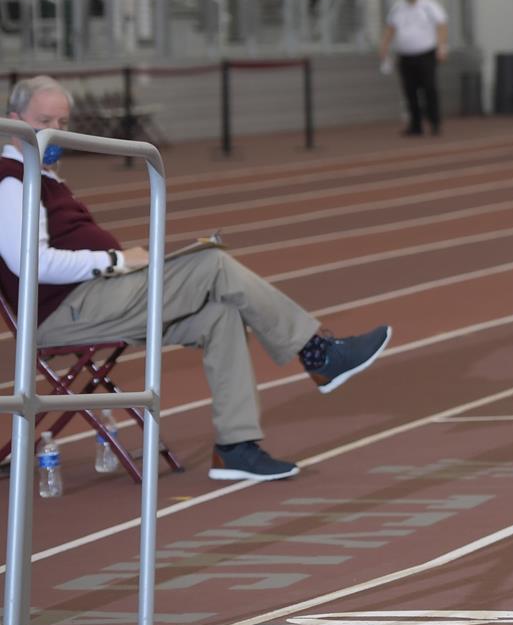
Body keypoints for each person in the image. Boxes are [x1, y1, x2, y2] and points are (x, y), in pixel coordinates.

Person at [0, 78, 392, 482]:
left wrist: (122, 263)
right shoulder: (12, 179)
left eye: (62, 121)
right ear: (14, 122)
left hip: (99, 298)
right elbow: (29, 262)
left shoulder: (43, 173)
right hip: (68, 311)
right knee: (211, 264)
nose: (56, 131)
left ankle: (236, 448)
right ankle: (318, 353)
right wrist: (115, 259)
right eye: (44, 120)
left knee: (220, 314)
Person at [379, 0, 449, 136]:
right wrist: (384, 46)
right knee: (410, 90)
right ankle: (415, 125)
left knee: (429, 88)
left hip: (426, 53)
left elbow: (442, 26)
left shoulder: (429, 6)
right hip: (405, 55)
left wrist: (441, 47)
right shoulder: (398, 8)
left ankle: (434, 122)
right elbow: (390, 28)